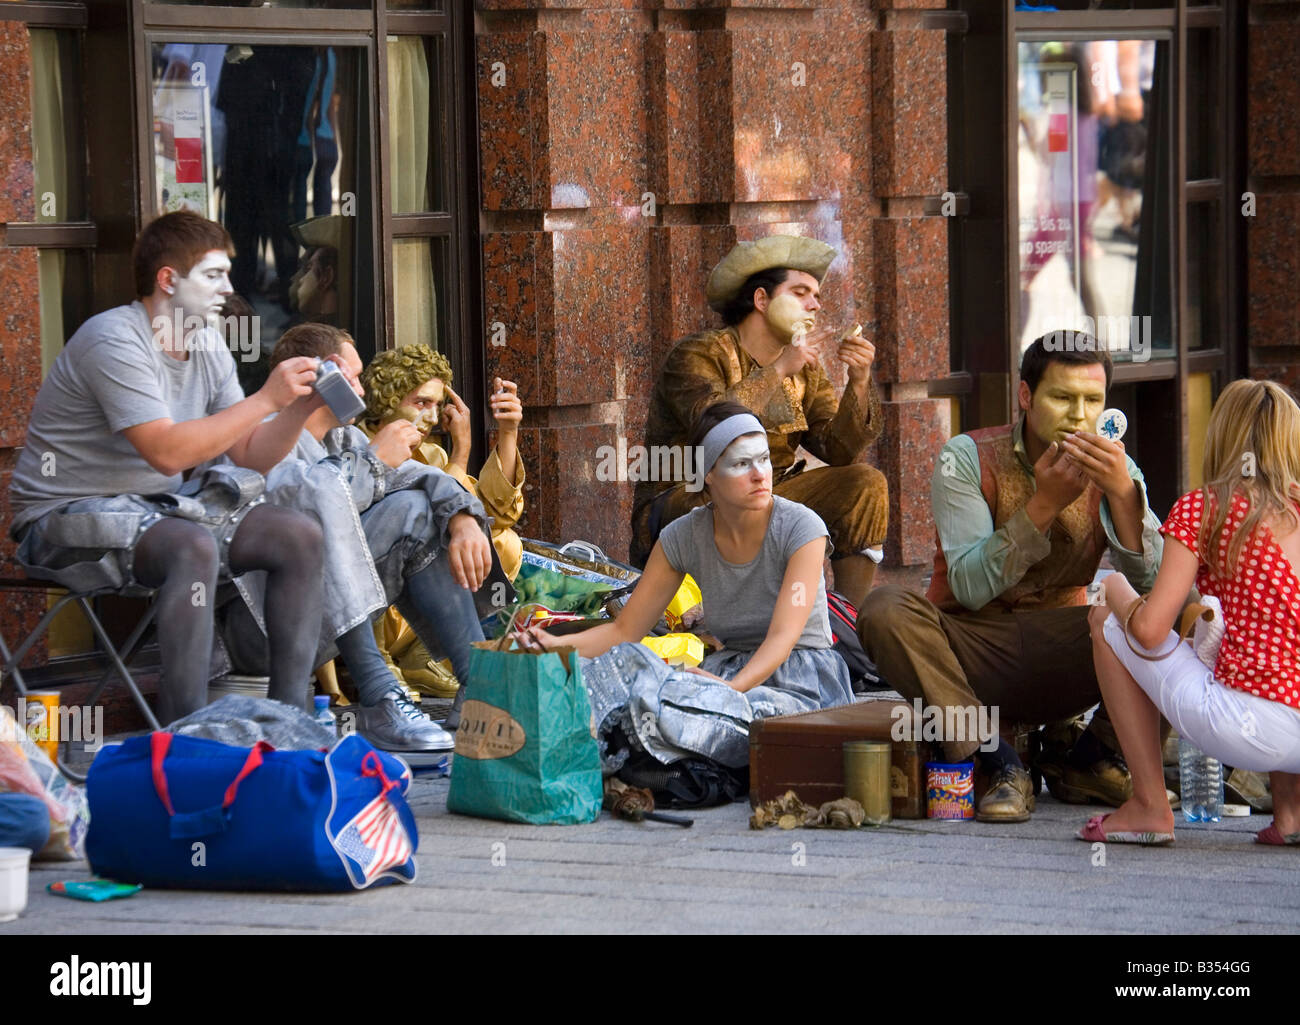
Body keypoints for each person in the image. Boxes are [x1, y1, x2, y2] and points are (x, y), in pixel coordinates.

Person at [8, 212, 325, 724]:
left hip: (156, 511)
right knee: (190, 544)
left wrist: (297, 410)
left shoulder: (207, 341)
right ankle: (184, 736)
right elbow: (168, 453)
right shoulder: (113, 339)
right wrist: (266, 396)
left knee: (298, 535)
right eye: (213, 275)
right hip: (59, 518)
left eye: (227, 274)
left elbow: (248, 454)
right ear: (167, 280)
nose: (229, 288)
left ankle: (293, 721)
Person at [859, 332, 1163, 822]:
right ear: (1026, 397)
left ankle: (1093, 757)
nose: (1078, 415)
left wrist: (1124, 498)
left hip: (1066, 647)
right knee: (884, 608)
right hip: (971, 649)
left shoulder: (1118, 467)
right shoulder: (966, 457)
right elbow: (970, 588)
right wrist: (1043, 506)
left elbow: (1155, 587)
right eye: (1061, 398)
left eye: (1092, 401)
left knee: (1187, 608)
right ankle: (995, 760)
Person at [517, 402, 853, 770]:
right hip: (727, 672)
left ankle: (661, 739)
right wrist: (555, 646)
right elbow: (625, 630)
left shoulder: (802, 528)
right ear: (708, 474)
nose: (760, 474)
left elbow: (783, 638)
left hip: (800, 683)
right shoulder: (683, 535)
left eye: (764, 459)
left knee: (726, 716)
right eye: (742, 464)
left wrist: (726, 692)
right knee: (627, 672)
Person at [229, 324, 492, 748]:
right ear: (317, 379)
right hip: (258, 628)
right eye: (349, 377)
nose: (363, 389)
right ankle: (378, 694)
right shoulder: (264, 434)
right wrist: (372, 462)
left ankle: (484, 688)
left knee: (418, 506)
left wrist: (462, 516)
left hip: (311, 623)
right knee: (372, 514)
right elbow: (306, 513)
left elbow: (419, 476)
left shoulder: (343, 437)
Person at [1084, 379, 1300, 845]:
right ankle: (1291, 816)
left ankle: (1148, 805)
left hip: (1243, 726)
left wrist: (1114, 587)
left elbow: (1148, 628)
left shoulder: (1207, 509)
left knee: (1105, 611)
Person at [630, 235, 887, 609]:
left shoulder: (807, 371)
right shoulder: (699, 352)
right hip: (689, 499)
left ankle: (848, 623)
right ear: (761, 300)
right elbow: (715, 427)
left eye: (817, 295)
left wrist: (860, 382)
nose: (815, 304)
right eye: (800, 292)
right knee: (739, 492)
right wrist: (780, 369)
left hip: (767, 492)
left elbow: (839, 450)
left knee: (864, 483)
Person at [359, 343, 525, 696]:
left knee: (502, 543)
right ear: (389, 397)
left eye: (437, 405)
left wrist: (507, 432)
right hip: (367, 607)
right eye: (421, 403)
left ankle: (425, 657)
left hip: (416, 608)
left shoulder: (432, 452)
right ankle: (376, 666)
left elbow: (497, 514)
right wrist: (460, 458)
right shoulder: (359, 445)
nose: (432, 418)